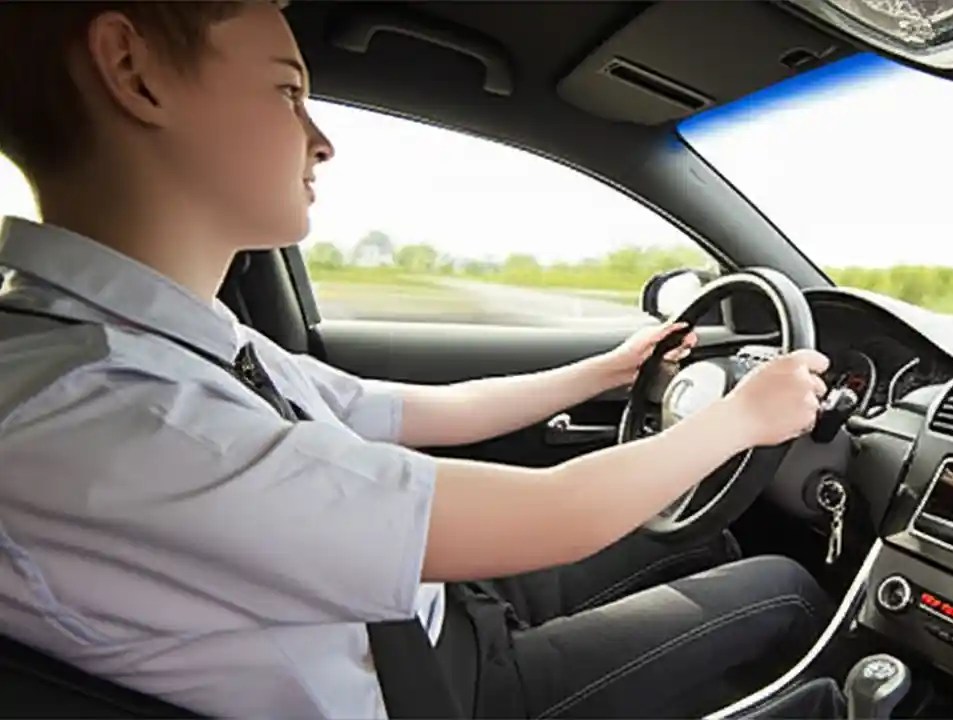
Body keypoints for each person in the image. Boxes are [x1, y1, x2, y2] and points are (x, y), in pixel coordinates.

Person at [0, 2, 834, 718]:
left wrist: (602, 371)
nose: (320, 141)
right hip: (434, 691)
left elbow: (409, 410)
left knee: (699, 536)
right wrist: (742, 416)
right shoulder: (105, 411)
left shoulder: (168, 338)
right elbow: (558, 513)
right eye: (288, 91)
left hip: (419, 616)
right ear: (134, 72)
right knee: (786, 590)